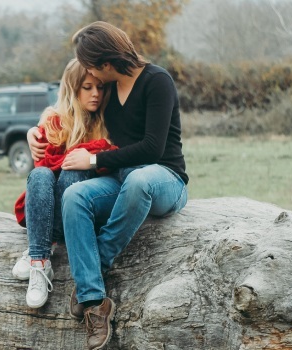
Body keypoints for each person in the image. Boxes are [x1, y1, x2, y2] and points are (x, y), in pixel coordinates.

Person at [29, 22, 189, 350]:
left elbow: (152, 148)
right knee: (74, 196)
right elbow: (69, 111)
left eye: (90, 65)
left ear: (105, 63)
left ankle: (95, 266)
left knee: (139, 179)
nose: (89, 74)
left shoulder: (157, 81)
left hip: (163, 179)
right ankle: (95, 302)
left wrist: (91, 161)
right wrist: (33, 132)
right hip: (120, 179)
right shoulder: (108, 89)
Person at [11, 58, 116, 309]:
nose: (96, 94)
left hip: (79, 213)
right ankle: (40, 262)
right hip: (48, 206)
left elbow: (112, 158)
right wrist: (33, 133)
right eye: (88, 87)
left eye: (100, 88)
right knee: (40, 175)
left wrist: (87, 157)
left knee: (71, 173)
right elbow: (43, 165)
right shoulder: (54, 121)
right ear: (72, 88)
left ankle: (40, 248)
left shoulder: (107, 121)